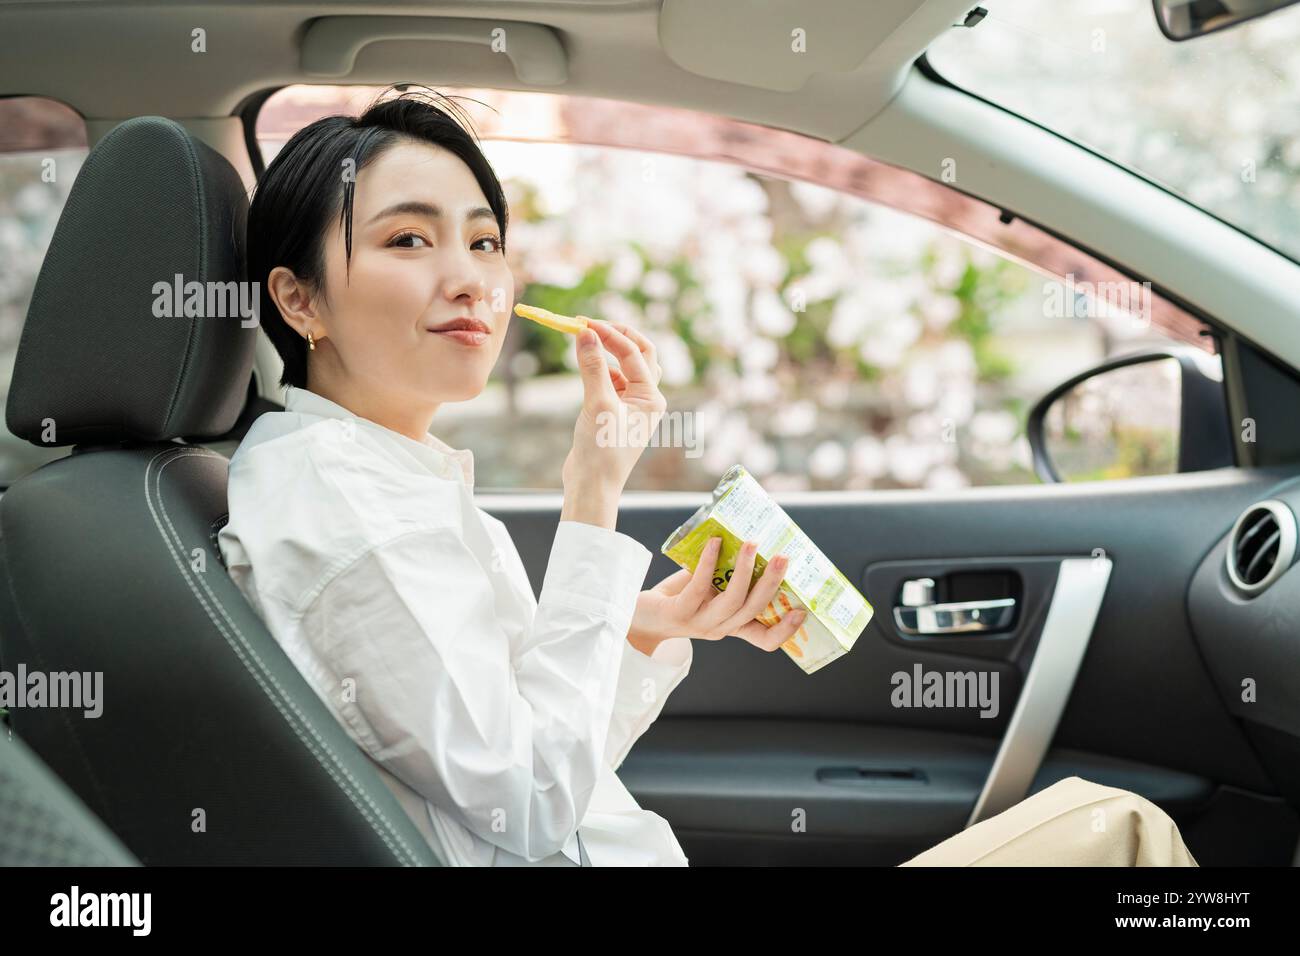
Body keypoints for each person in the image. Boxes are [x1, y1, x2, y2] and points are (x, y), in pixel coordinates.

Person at [218, 86, 1198, 867]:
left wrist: (646, 625)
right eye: (407, 238)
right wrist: (593, 489)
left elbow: (520, 745)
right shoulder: (345, 508)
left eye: (483, 240)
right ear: (300, 299)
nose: (472, 275)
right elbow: (529, 800)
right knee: (1118, 831)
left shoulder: (376, 473)